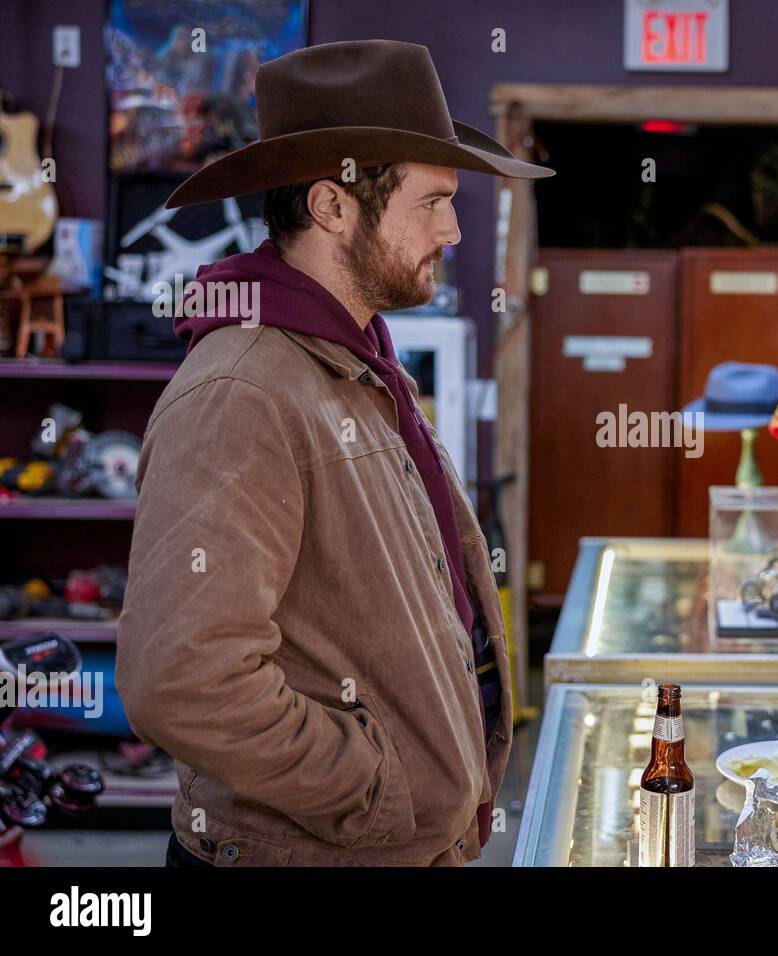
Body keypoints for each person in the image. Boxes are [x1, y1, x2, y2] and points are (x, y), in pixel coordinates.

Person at [116, 39, 552, 866]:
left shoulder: (352, 364)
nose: (455, 230)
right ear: (331, 207)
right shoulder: (242, 393)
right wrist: (385, 790)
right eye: (432, 203)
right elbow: (181, 680)